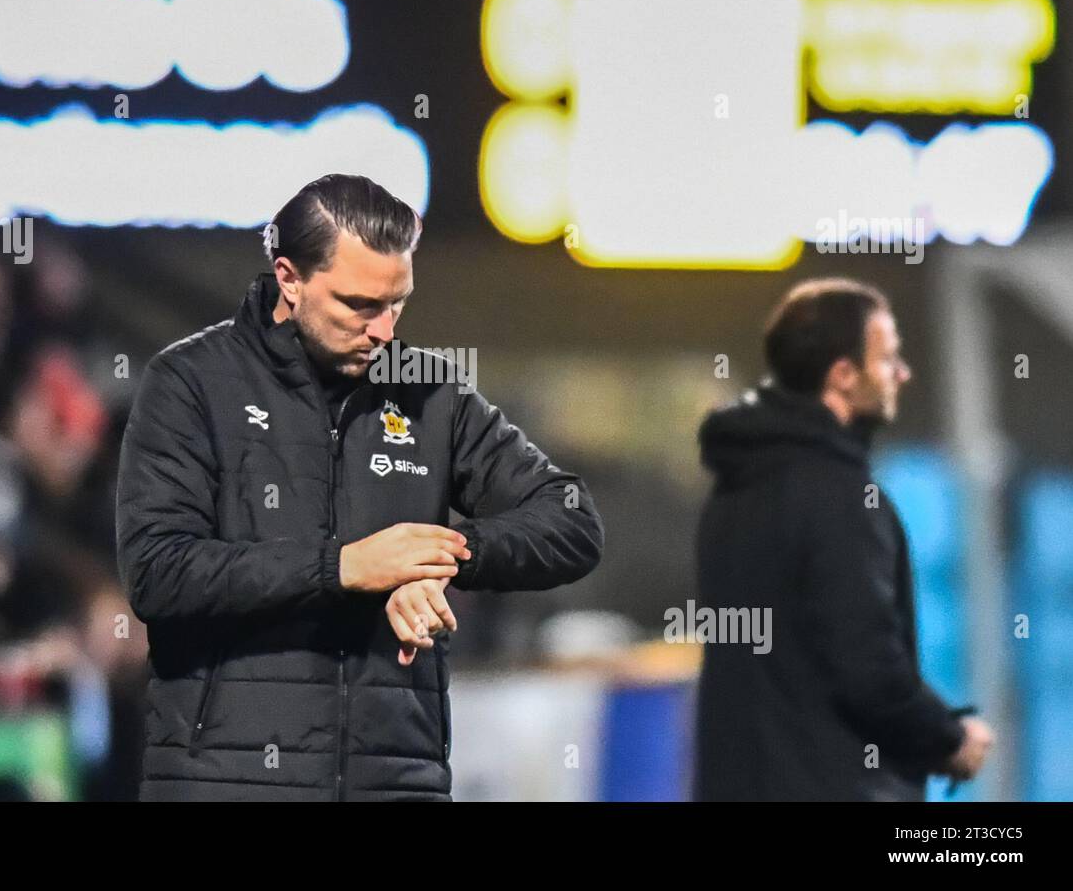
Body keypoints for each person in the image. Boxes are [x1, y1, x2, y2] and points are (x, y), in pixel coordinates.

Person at [116, 174, 604, 800]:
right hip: (228, 783)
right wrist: (345, 567)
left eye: (397, 303)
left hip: (396, 781)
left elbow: (572, 520)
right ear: (289, 278)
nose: (384, 332)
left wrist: (439, 558)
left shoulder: (430, 392)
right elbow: (159, 571)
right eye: (360, 305)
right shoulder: (191, 383)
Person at [694, 278, 993, 800]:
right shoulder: (842, 497)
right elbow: (867, 671)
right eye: (888, 359)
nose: (903, 373)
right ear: (843, 376)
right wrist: (949, 738)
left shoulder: (732, 494)